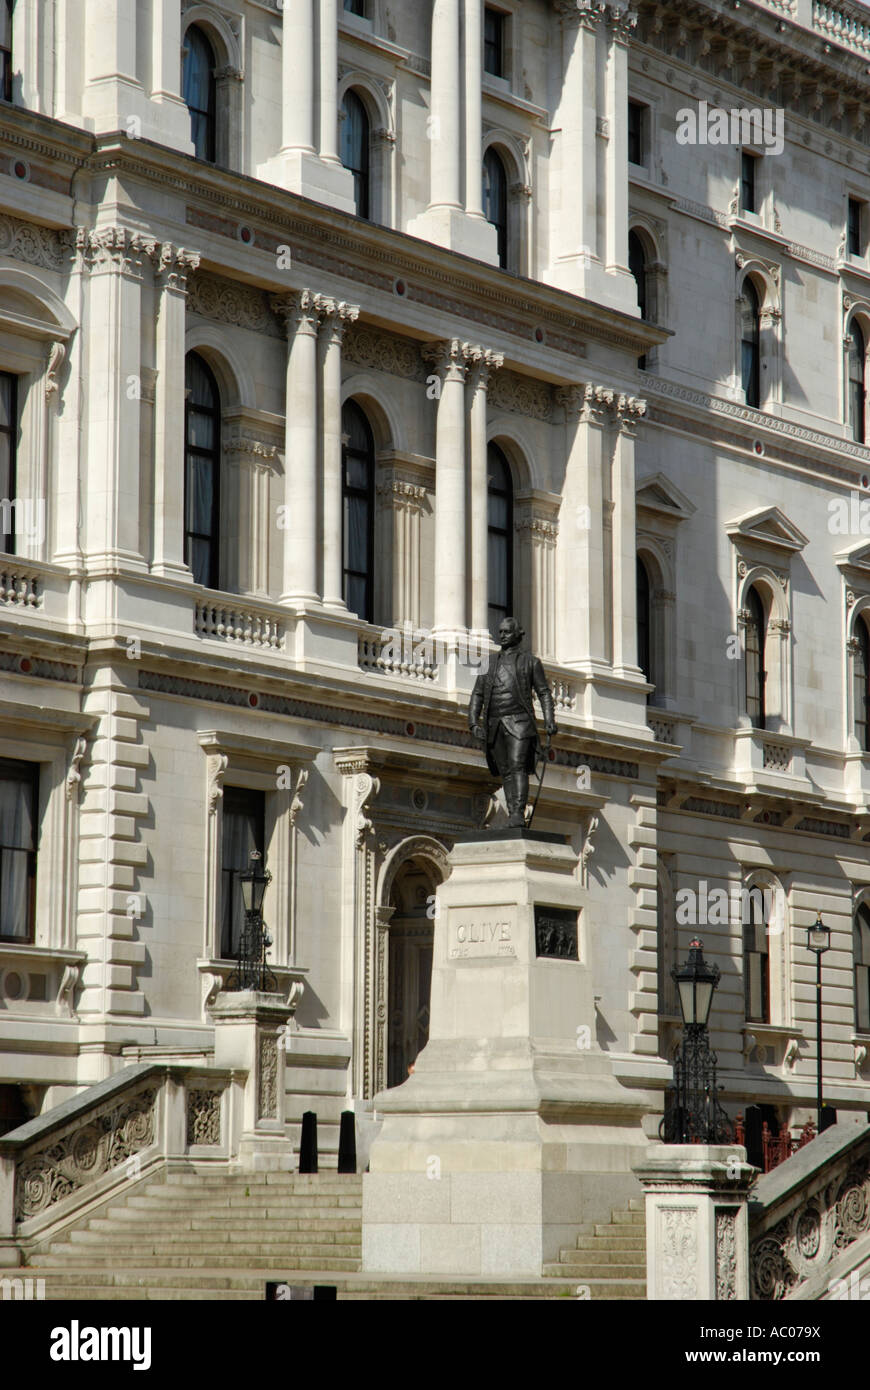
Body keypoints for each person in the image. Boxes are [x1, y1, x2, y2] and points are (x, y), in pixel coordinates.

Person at [468, 616, 557, 827]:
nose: (502, 635)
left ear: (519, 634)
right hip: (495, 723)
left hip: (520, 722)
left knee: (517, 765)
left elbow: (544, 692)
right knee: (506, 769)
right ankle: (512, 812)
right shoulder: (488, 663)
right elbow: (477, 695)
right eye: (500, 632)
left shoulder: (531, 662)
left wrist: (550, 720)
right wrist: (473, 722)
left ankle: (518, 811)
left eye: (507, 631)